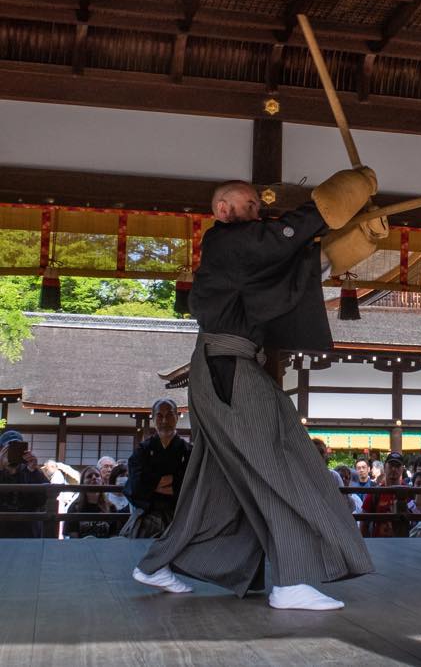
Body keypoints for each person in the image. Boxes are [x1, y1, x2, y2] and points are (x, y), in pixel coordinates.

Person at [133, 175, 375, 610]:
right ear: (223, 209)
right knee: (279, 462)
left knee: (219, 482)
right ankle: (292, 579)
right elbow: (273, 244)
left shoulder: (239, 265)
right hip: (227, 369)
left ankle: (155, 565)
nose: (258, 213)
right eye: (250, 205)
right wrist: (325, 208)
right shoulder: (224, 242)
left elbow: (277, 285)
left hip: (224, 370)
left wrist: (325, 257)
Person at [122, 398, 192, 538]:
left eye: (170, 415)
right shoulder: (142, 451)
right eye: (160, 416)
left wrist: (150, 483)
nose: (165, 421)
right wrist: (167, 482)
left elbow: (191, 484)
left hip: (180, 515)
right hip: (147, 515)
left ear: (177, 417)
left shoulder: (188, 452)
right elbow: (134, 486)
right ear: (153, 419)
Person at [0, 430, 49, 538]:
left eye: (17, 448)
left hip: (28, 532)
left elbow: (43, 498)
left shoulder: (30, 470)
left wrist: (34, 470)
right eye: (9, 448)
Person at [64, 467, 121, 538]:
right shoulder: (74, 508)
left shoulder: (111, 507)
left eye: (97, 475)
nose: (94, 477)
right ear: (82, 483)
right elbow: (74, 538)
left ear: (102, 482)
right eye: (89, 476)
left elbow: (113, 536)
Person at [360, 452, 406, 538]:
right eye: (391, 465)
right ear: (385, 468)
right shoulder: (375, 493)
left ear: (402, 469)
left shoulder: (409, 492)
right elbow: (363, 524)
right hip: (380, 545)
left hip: (404, 544)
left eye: (397, 466)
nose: (394, 469)